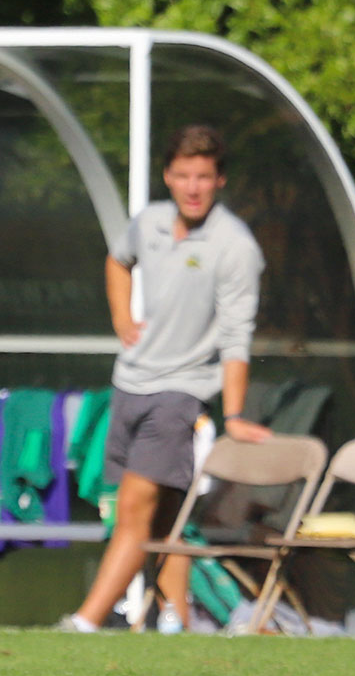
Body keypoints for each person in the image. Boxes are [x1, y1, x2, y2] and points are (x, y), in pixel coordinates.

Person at [60, 124, 268, 634]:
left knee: (134, 508)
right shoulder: (149, 221)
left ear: (219, 181)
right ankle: (176, 617)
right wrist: (121, 317)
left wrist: (234, 415)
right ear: (168, 177)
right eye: (183, 175)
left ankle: (86, 621)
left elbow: (237, 338)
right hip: (131, 383)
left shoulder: (234, 245)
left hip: (182, 392)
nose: (193, 187)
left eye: (204, 177)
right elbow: (117, 260)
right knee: (162, 514)